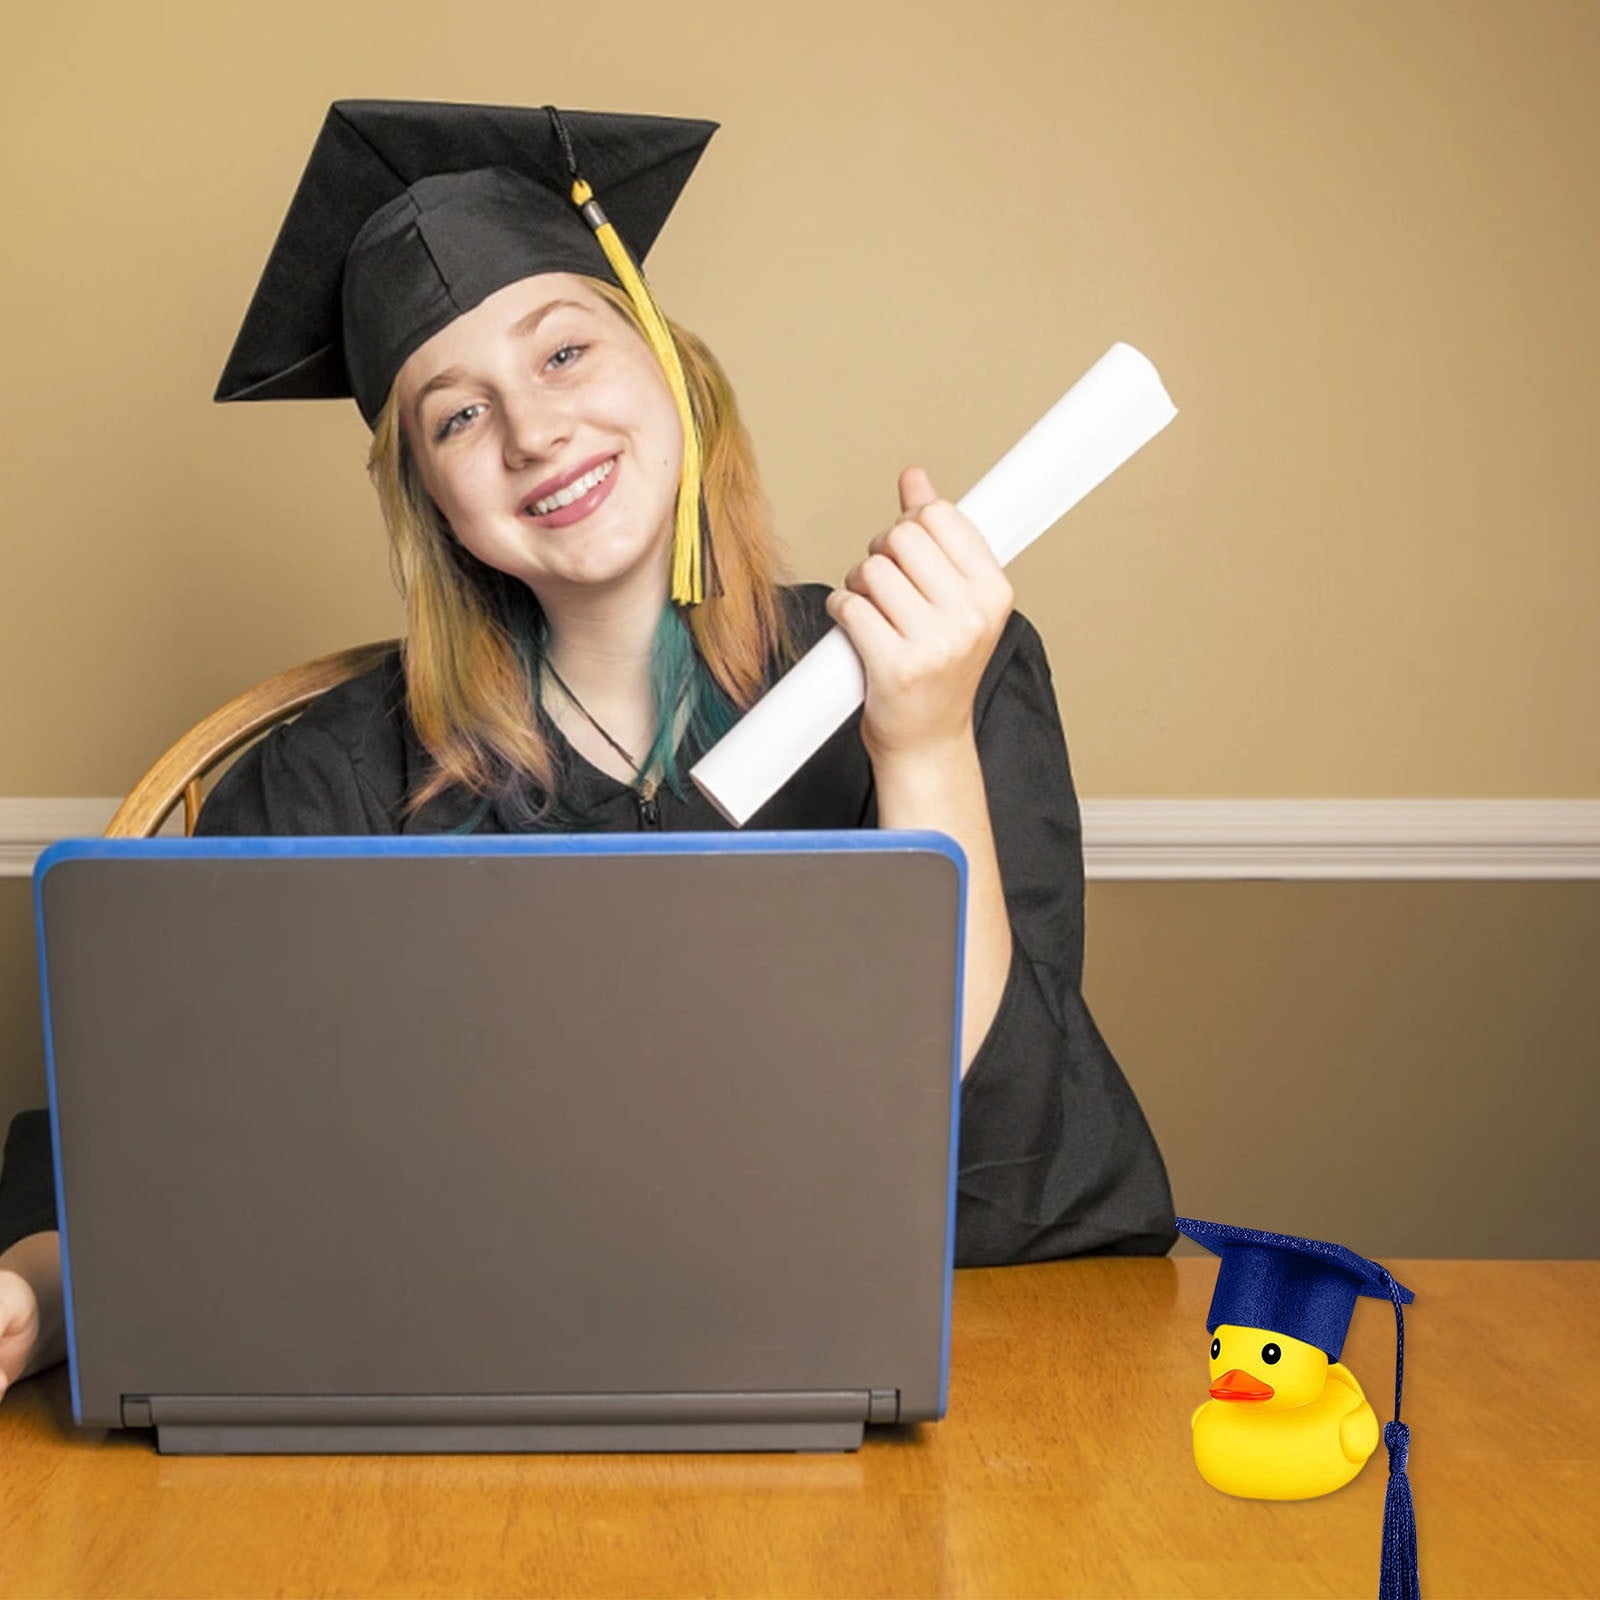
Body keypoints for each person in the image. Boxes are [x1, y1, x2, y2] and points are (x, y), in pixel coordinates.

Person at [0, 100, 1174, 1404]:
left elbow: (1007, 1164)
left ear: (674, 369)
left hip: (890, 1401)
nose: (534, 431)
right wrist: (38, 1297)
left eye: (565, 353)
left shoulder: (938, 664)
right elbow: (157, 1148)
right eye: (456, 416)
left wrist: (923, 737)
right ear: (428, 500)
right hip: (465, 1407)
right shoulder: (325, 783)